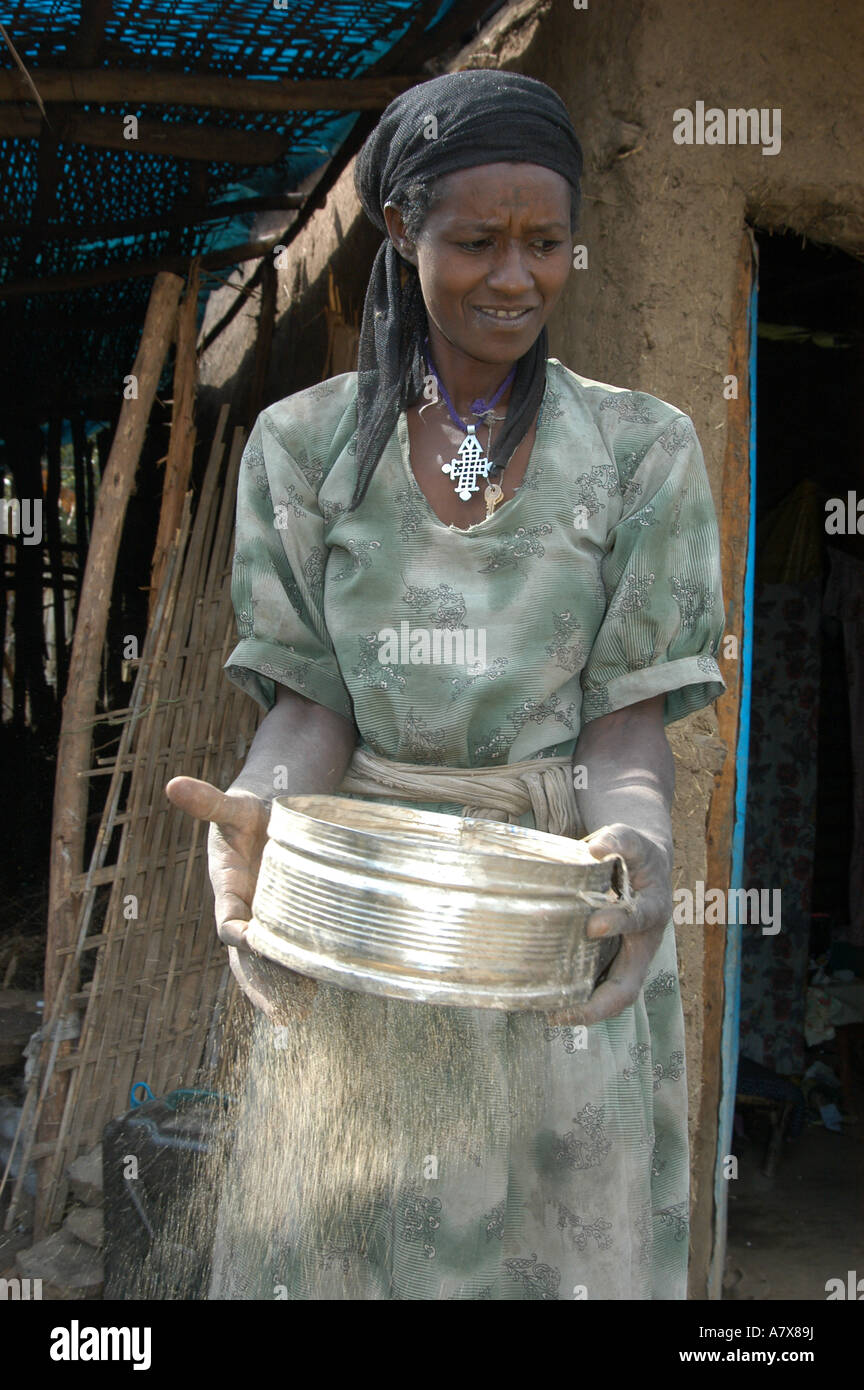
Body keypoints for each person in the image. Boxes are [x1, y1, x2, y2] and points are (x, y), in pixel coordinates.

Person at [166, 68, 726, 1300]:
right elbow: (307, 708)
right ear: (400, 230)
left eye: (548, 243)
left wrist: (634, 840)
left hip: (550, 923)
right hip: (365, 919)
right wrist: (261, 817)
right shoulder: (303, 451)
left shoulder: (643, 452)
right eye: (476, 242)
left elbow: (626, 727)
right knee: (352, 1252)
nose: (517, 278)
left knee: (544, 1254)